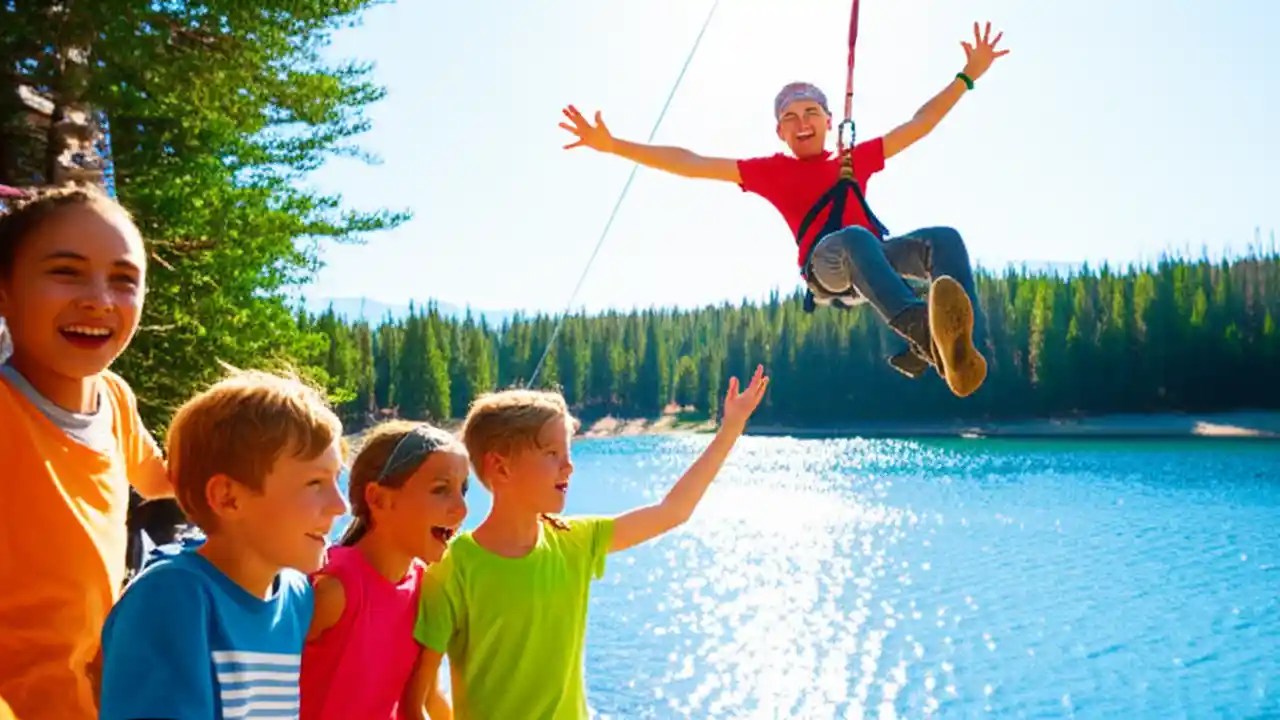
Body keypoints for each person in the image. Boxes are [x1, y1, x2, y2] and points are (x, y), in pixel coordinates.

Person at [559, 22, 1012, 398]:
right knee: (855, 239)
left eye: (811, 112)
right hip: (827, 270)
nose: (802, 122)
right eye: (790, 117)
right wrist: (614, 145)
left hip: (873, 263)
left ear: (829, 121)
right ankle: (922, 333)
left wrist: (967, 76)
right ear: (779, 132)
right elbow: (691, 163)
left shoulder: (853, 160)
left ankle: (960, 348)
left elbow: (920, 123)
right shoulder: (772, 172)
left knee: (944, 240)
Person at [402, 366, 770, 720]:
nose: (569, 466)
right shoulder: (452, 568)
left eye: (568, 453)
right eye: (552, 454)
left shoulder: (575, 542)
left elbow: (672, 511)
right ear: (501, 467)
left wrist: (731, 429)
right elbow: (422, 697)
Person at [0, 184, 172, 720]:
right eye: (66, 271)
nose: (99, 299)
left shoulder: (115, 399)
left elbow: (163, 480)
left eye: (124, 280)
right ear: (4, 292)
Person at [96, 369, 350, 720]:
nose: (341, 506)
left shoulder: (295, 596)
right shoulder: (173, 598)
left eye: (337, 480)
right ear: (227, 498)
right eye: (315, 483)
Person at [300, 421, 467, 720]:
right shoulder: (334, 589)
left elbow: (428, 698)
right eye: (441, 490)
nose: (462, 509)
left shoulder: (425, 586)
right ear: (379, 499)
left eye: (463, 490)